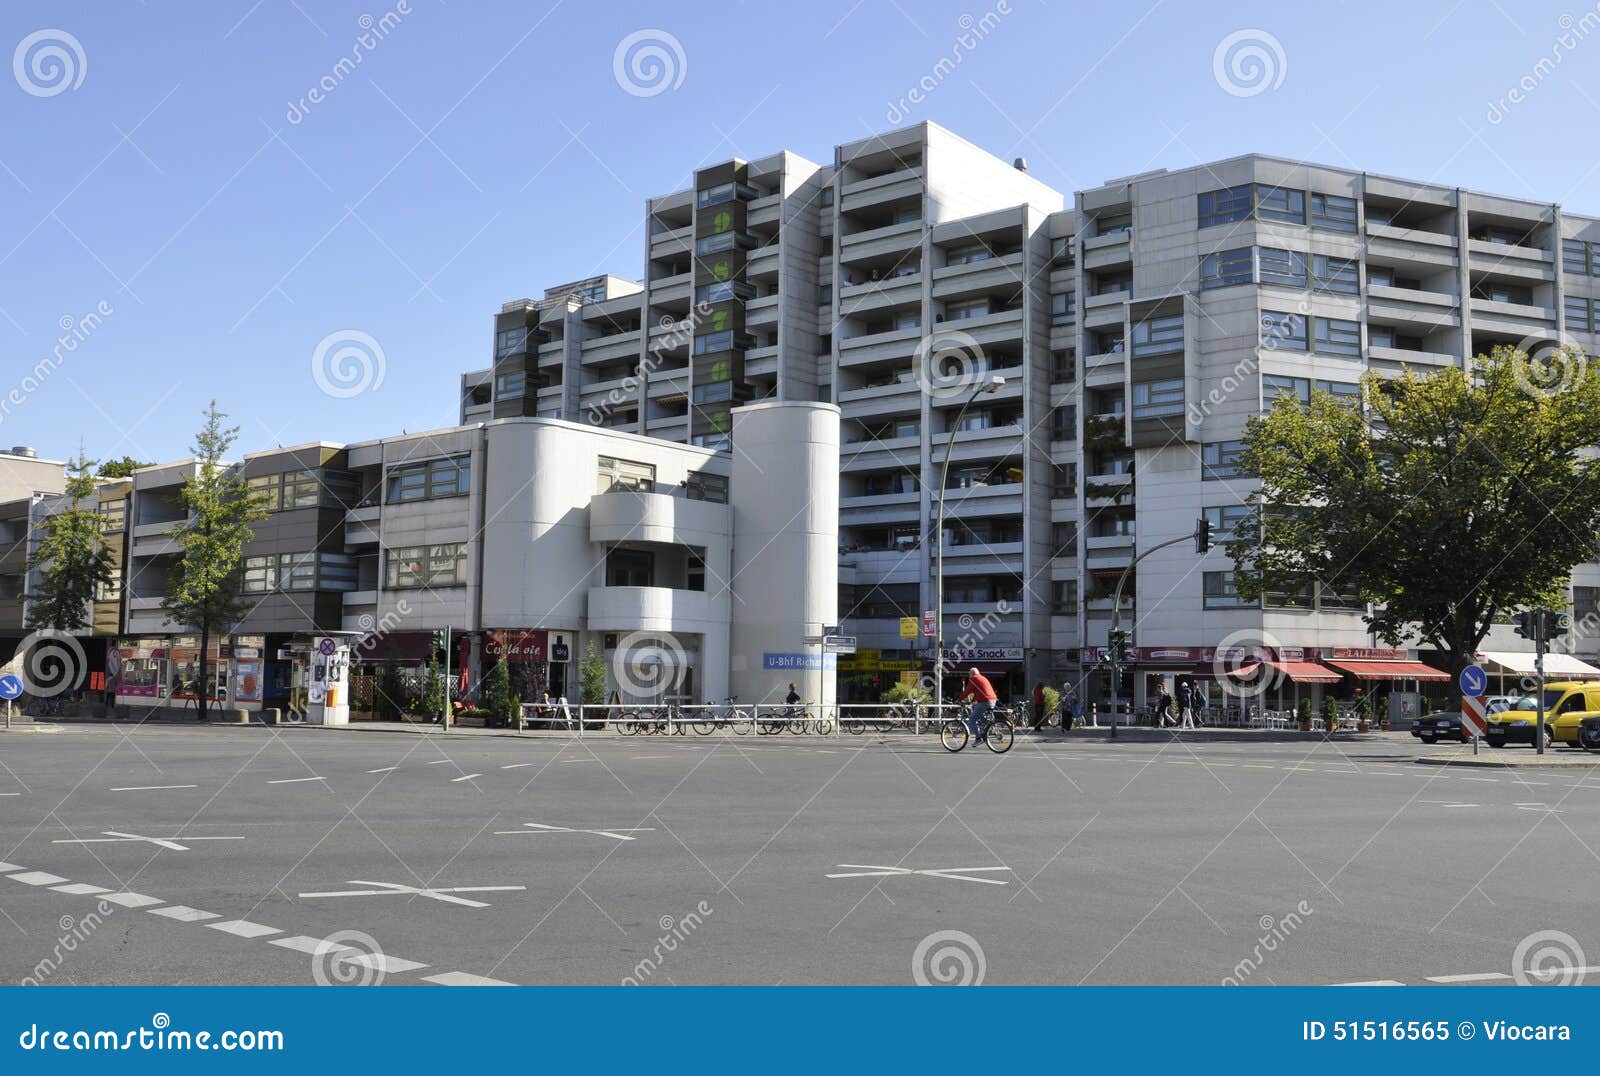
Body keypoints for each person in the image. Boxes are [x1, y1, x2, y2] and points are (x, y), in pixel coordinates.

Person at [958, 667, 998, 742]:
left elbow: (967, 691)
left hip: (985, 701)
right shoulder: (983, 678)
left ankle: (978, 738)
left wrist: (959, 699)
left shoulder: (973, 679)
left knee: (972, 719)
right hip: (993, 700)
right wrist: (972, 701)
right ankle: (987, 729)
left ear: (972, 674)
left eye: (969, 674)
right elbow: (978, 692)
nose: (969, 676)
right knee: (977, 709)